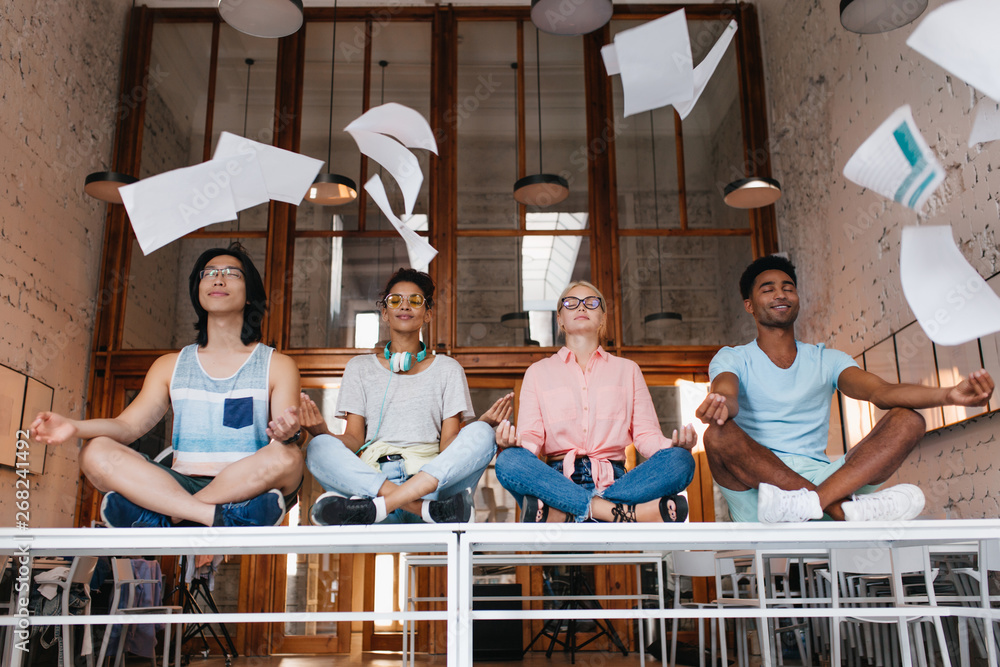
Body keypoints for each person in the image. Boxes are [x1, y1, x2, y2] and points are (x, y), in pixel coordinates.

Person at [696, 255, 994, 523]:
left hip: (827, 479)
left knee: (909, 420)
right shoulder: (732, 357)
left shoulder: (827, 359)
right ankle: (840, 509)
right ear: (749, 305)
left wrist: (949, 395)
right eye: (767, 289)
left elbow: (881, 392)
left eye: (788, 287)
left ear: (797, 297)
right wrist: (721, 404)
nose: (780, 294)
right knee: (718, 433)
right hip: (759, 492)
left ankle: (816, 503)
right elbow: (727, 393)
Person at [29, 243, 304, 528]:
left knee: (288, 457)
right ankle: (213, 516)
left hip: (247, 485)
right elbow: (127, 428)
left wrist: (289, 433)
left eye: (232, 273)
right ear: (198, 291)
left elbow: (286, 436)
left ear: (250, 296)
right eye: (208, 273)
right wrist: (74, 427)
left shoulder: (277, 364)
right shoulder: (170, 365)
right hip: (179, 483)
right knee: (94, 452)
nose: (218, 278)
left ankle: (166, 515)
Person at [304, 268, 509, 525]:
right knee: (318, 447)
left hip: (430, 485)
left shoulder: (448, 369)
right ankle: (420, 509)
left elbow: (448, 445)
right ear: (385, 313)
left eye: (415, 301)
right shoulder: (359, 367)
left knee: (483, 433)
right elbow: (355, 438)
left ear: (428, 314)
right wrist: (323, 432)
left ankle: (379, 507)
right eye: (395, 300)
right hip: (375, 485)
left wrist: (479, 427)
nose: (404, 306)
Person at [494, 280, 698, 523]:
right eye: (571, 303)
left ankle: (565, 513)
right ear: (560, 319)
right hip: (558, 481)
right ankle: (614, 513)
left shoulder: (628, 370)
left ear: (602, 318)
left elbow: (646, 436)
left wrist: (674, 445)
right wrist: (511, 444)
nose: (581, 307)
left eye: (591, 303)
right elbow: (531, 439)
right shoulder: (537, 372)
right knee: (508, 461)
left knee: (681, 461)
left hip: (618, 482)